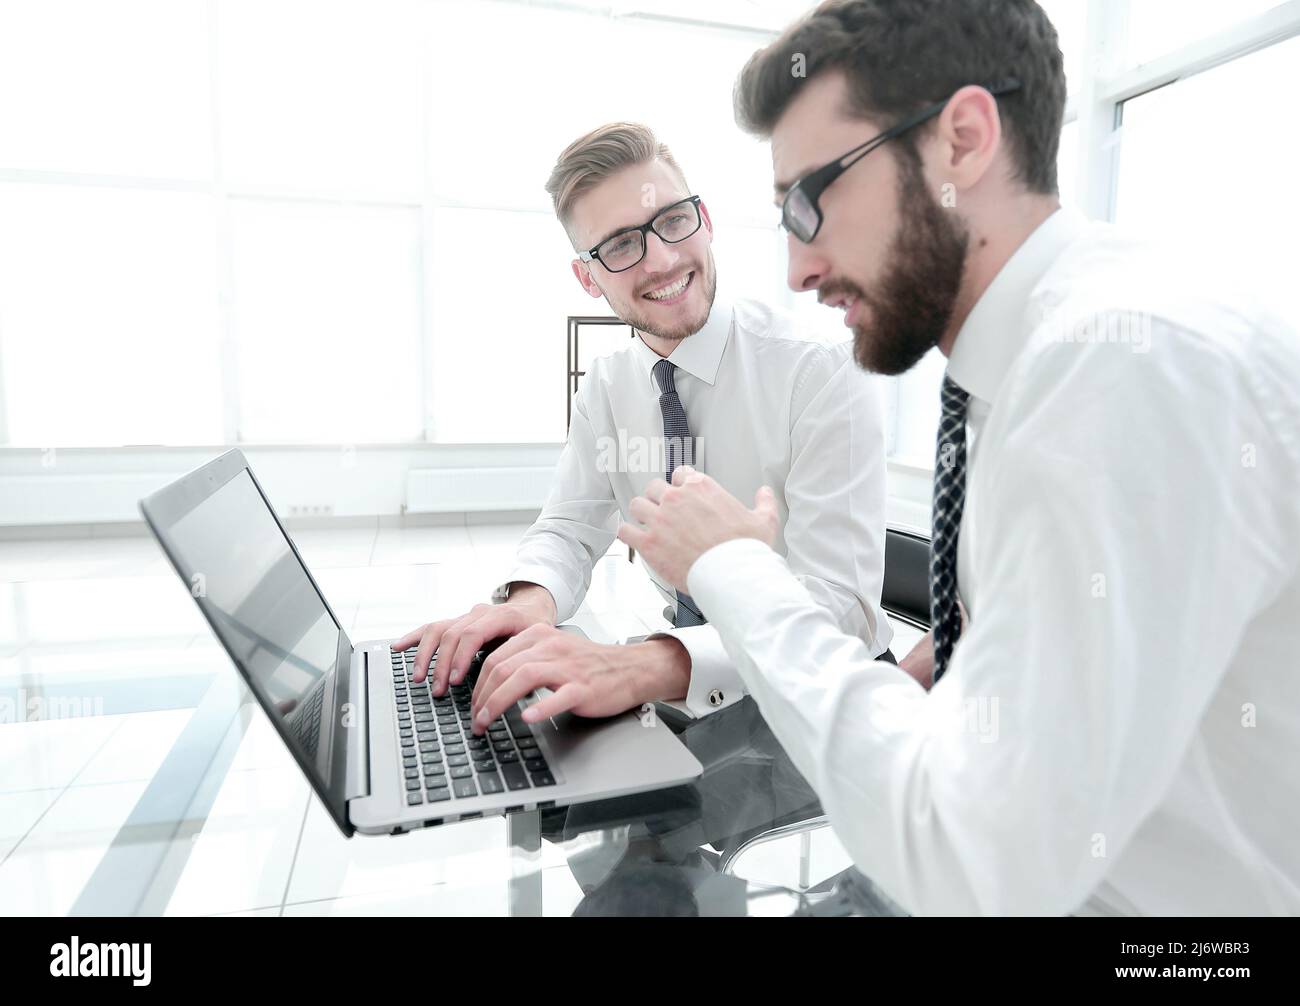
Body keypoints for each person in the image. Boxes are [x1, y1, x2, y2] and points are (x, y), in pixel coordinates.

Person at [620, 0, 1300, 915]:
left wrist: (733, 565)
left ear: (963, 142)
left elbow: (969, 862)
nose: (796, 269)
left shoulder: (1114, 370)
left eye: (809, 201)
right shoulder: (1049, 356)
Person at [394, 122, 896, 733]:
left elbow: (842, 608)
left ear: (705, 220)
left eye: (673, 220)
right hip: (688, 689)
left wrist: (643, 665)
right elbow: (570, 527)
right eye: (621, 245)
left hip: (824, 703)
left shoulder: (820, 371)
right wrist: (531, 603)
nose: (661, 259)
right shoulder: (607, 385)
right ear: (588, 277)